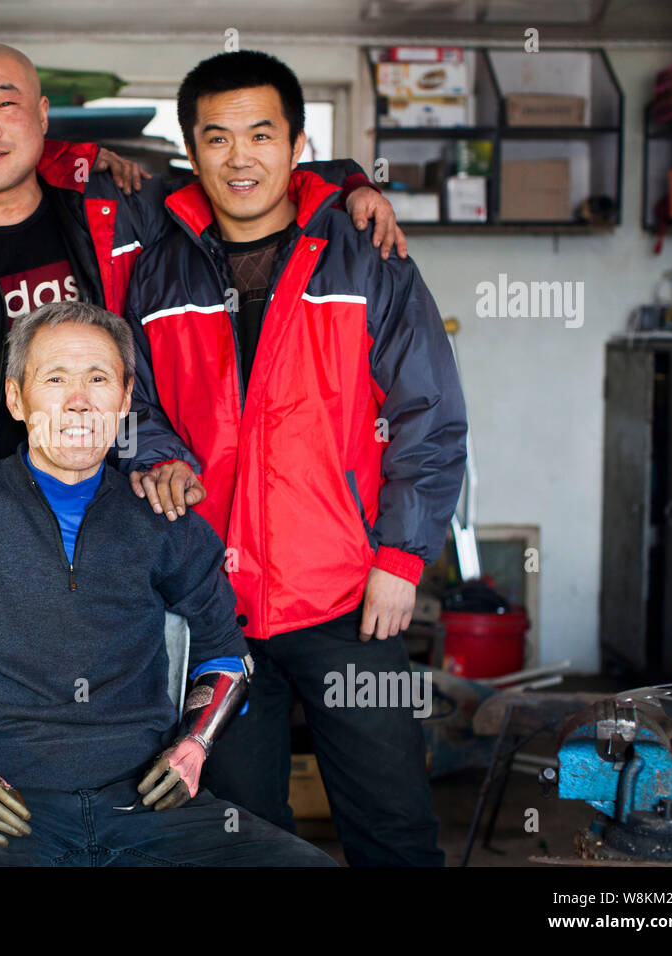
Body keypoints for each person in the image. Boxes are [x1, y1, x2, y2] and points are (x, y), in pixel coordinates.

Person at [0, 42, 405, 843]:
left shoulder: (113, 209)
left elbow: (241, 177)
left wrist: (353, 186)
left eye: (6, 104)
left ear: (44, 117)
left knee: (121, 718)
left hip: (106, 513)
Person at [122, 50, 468, 866]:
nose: (240, 158)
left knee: (392, 822)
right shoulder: (154, 269)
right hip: (211, 606)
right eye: (217, 138)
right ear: (192, 149)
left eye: (260, 134)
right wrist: (160, 451)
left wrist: (402, 557)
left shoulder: (365, 254)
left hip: (350, 594)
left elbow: (431, 413)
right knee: (243, 832)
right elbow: (126, 403)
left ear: (298, 143)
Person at [0, 300, 336, 866]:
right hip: (3, 804)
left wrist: (194, 748)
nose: (79, 400)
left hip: (146, 807)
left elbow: (227, 654)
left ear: (123, 399)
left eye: (98, 379)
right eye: (56, 379)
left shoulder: (161, 517)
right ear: (17, 398)